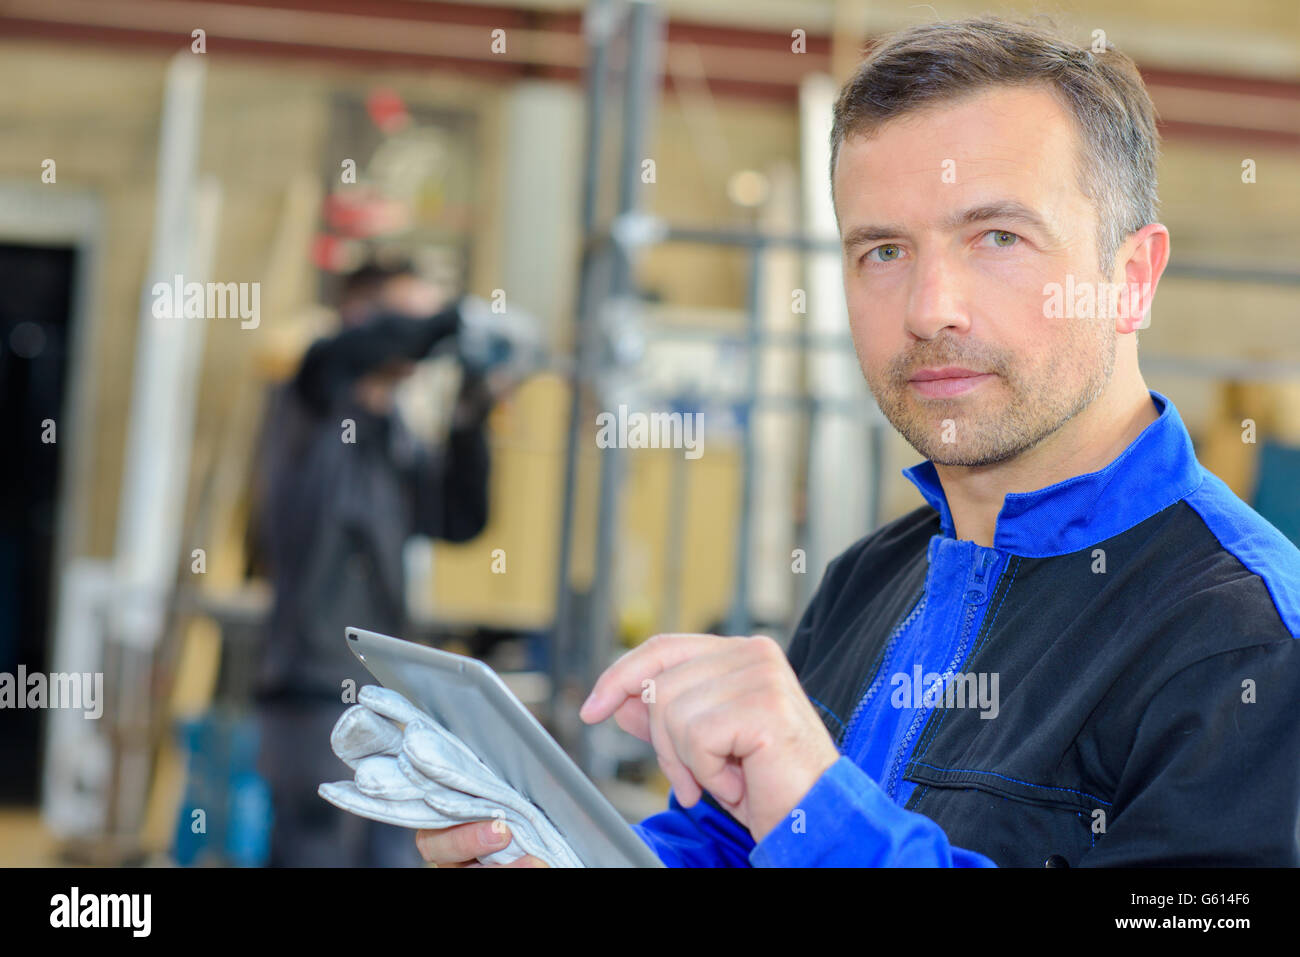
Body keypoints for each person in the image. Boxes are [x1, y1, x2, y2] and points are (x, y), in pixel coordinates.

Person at [414, 15, 1300, 868]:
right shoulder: (873, 577)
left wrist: (823, 811)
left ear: (1132, 278)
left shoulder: (1248, 645)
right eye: (883, 251)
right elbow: (739, 845)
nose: (928, 309)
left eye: (998, 236)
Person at [252, 262, 506, 867]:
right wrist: (456, 320)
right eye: (411, 316)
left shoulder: (395, 434)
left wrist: (471, 412)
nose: (425, 337)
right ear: (365, 317)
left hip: (384, 699)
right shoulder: (312, 396)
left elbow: (458, 521)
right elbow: (361, 350)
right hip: (311, 695)